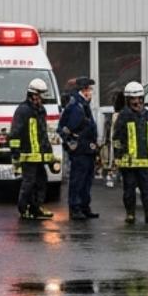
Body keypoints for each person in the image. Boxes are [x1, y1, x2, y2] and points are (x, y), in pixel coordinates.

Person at [114, 82, 148, 224]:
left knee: (147, 188)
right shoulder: (123, 116)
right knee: (129, 189)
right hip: (128, 161)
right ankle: (130, 214)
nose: (137, 102)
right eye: (133, 99)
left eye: (139, 98)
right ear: (127, 100)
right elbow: (117, 138)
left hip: (144, 160)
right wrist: (118, 157)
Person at [11, 78, 56, 220]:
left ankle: (36, 208)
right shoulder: (23, 110)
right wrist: (16, 154)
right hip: (27, 155)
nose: (43, 98)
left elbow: (43, 134)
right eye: (41, 94)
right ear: (33, 94)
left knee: (41, 181)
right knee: (28, 183)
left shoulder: (41, 110)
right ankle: (24, 209)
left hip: (39, 156)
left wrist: (49, 153)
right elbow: (15, 133)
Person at [59, 76, 100, 220]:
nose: (91, 92)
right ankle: (75, 208)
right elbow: (67, 129)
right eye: (89, 89)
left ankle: (84, 206)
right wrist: (72, 146)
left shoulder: (83, 104)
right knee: (78, 180)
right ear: (83, 89)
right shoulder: (76, 106)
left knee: (86, 180)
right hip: (80, 151)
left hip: (87, 150)